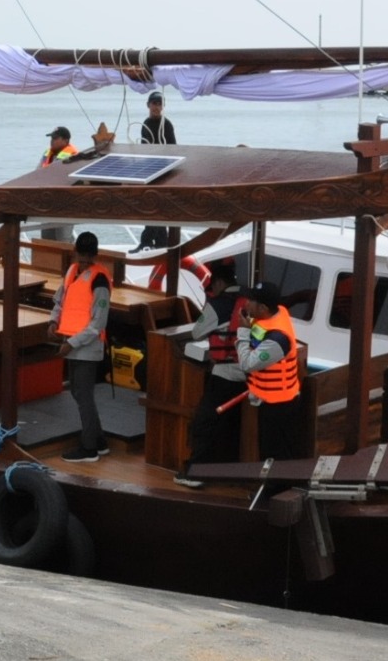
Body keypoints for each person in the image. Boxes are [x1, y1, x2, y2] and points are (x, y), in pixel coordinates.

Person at [176, 260, 244, 487]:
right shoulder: (248, 302)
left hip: (225, 374)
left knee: (204, 422)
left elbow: (197, 332)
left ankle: (195, 473)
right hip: (248, 375)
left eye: (212, 286)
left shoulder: (219, 304)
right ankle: (226, 472)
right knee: (231, 426)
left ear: (219, 282)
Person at [48, 231, 112, 463]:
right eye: (80, 256)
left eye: (87, 257)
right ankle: (99, 440)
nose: (83, 261)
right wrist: (53, 320)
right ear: (75, 253)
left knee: (84, 395)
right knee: (77, 392)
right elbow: (60, 299)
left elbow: (98, 323)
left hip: (87, 346)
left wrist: (72, 344)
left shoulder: (100, 281)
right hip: (70, 341)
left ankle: (89, 447)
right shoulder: (71, 271)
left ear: (94, 255)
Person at [235, 280, 304, 462]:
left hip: (280, 404)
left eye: (251, 301)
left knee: (276, 454)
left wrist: (242, 332)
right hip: (267, 401)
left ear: (263, 308)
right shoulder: (275, 313)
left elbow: (247, 363)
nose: (246, 303)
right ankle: (271, 487)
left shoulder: (277, 339)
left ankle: (275, 489)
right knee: (268, 450)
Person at [135, 93, 176, 250]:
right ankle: (154, 242)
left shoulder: (167, 124)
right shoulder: (146, 123)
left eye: (159, 104)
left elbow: (173, 147)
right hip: (150, 170)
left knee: (158, 207)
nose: (156, 107)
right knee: (150, 205)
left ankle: (153, 242)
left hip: (163, 171)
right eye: (154, 103)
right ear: (148, 105)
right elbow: (145, 148)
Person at [38, 127, 78, 241]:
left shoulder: (73, 155)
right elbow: (36, 173)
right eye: (51, 138)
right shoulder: (47, 153)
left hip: (65, 204)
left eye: (55, 138)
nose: (52, 141)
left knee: (63, 239)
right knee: (46, 239)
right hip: (47, 203)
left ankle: (69, 258)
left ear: (65, 140)